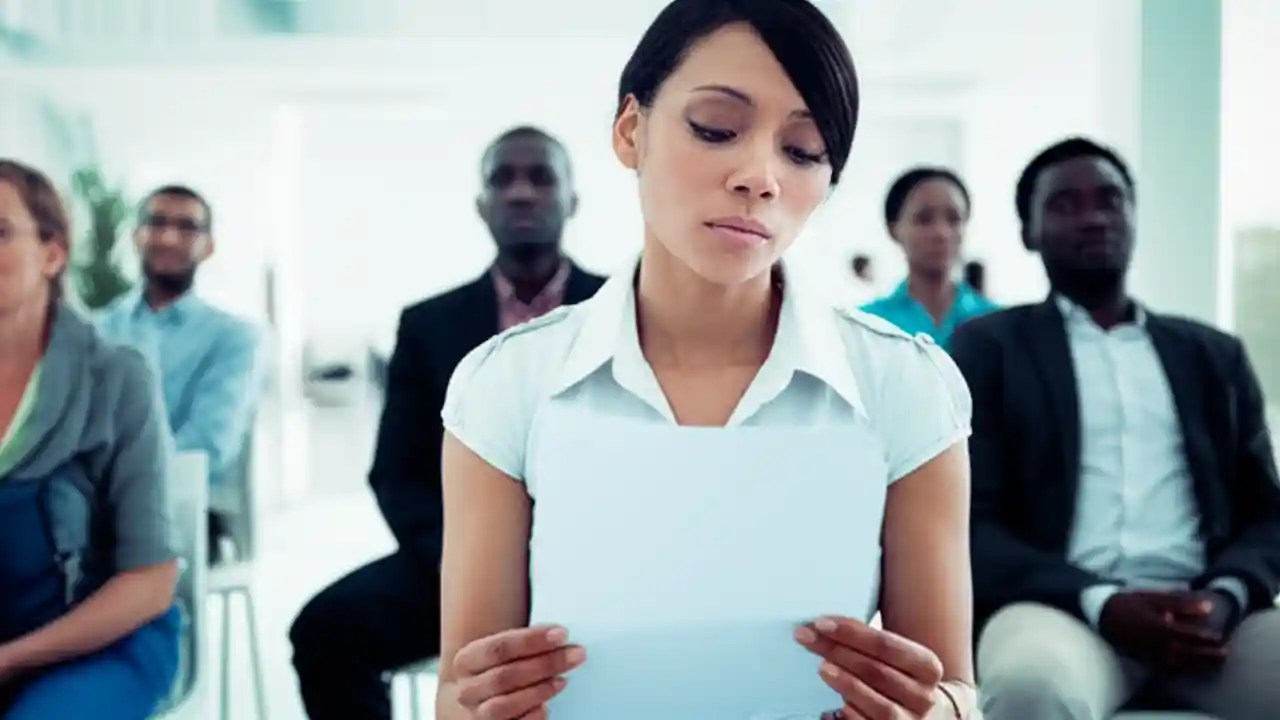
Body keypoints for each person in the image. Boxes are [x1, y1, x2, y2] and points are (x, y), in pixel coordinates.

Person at [434, 2, 978, 718]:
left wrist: (933, 711)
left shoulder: (905, 384)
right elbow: (459, 695)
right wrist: (474, 708)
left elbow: (958, 694)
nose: (759, 176)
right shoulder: (507, 383)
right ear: (631, 131)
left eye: (804, 149)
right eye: (716, 129)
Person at [951, 137, 1280, 719]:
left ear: (1132, 216)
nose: (1094, 217)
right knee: (1031, 688)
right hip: (1060, 610)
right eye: (1065, 204)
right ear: (1028, 231)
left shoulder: (1212, 355)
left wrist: (1225, 597)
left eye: (1110, 200)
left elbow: (1267, 513)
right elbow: (967, 522)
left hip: (1211, 618)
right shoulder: (989, 349)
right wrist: (1102, 601)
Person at [288, 126, 605, 720]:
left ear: (572, 200)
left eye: (540, 177)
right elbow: (395, 474)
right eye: (501, 178)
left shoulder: (623, 310)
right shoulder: (427, 324)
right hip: (450, 561)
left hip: (596, 567)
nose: (520, 192)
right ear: (480, 205)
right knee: (326, 630)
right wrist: (470, 565)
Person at [0, 160, 180, 718]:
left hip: (100, 642)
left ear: (52, 254)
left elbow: (151, 581)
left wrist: (10, 659)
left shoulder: (116, 377)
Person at [96, 185, 260, 562]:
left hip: (190, 508)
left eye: (187, 228)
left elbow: (210, 443)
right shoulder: (94, 332)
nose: (169, 237)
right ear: (137, 236)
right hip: (96, 503)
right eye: (157, 223)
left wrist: (126, 487)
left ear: (208, 246)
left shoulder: (234, 338)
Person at [862, 167, 997, 348]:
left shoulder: (996, 323)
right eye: (924, 219)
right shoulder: (869, 326)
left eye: (954, 219)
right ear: (894, 230)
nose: (942, 233)